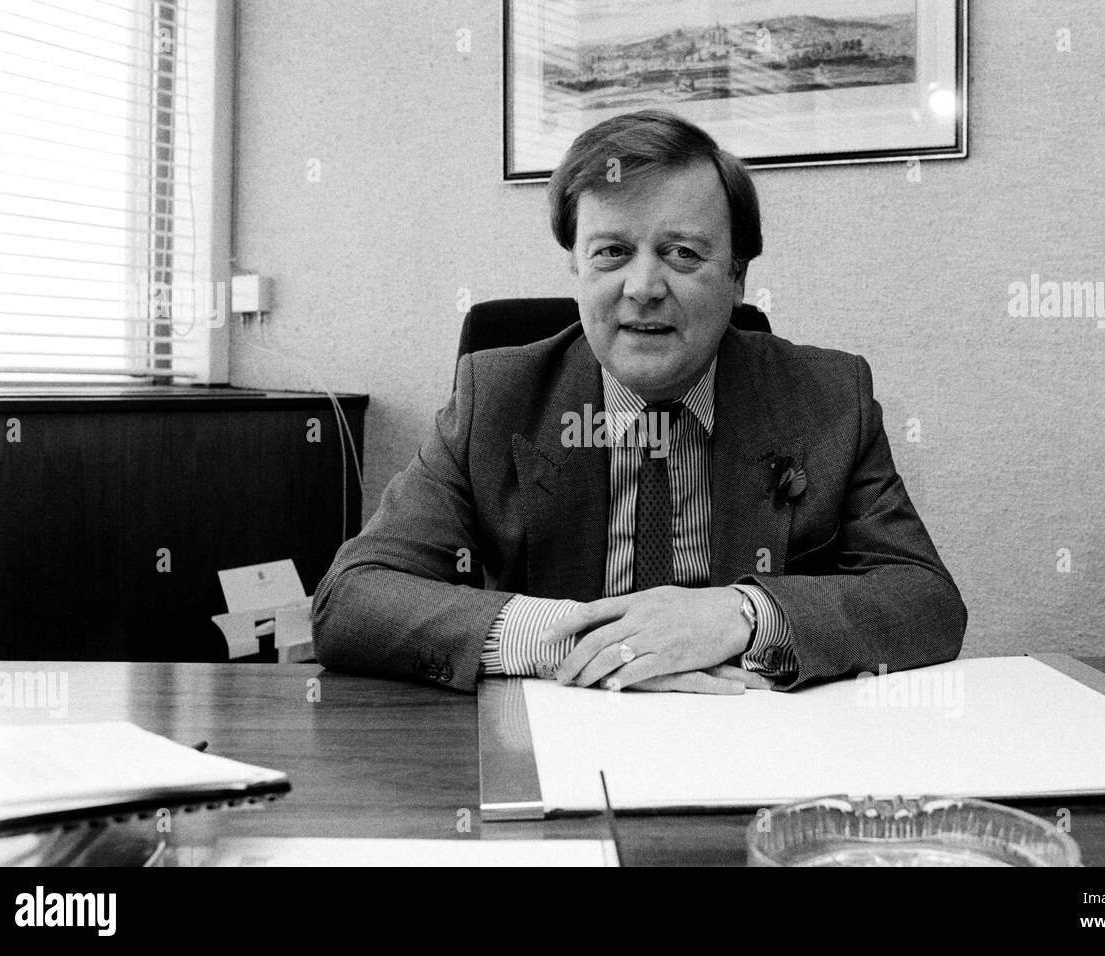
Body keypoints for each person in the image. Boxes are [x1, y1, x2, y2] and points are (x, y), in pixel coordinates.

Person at [312, 109, 966, 694]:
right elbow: (350, 599)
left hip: (758, 744)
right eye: (613, 252)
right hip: (556, 743)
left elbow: (926, 602)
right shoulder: (497, 398)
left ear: (737, 276)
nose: (643, 286)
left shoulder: (827, 397)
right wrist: (579, 638)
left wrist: (740, 616)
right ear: (578, 267)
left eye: (681, 253)